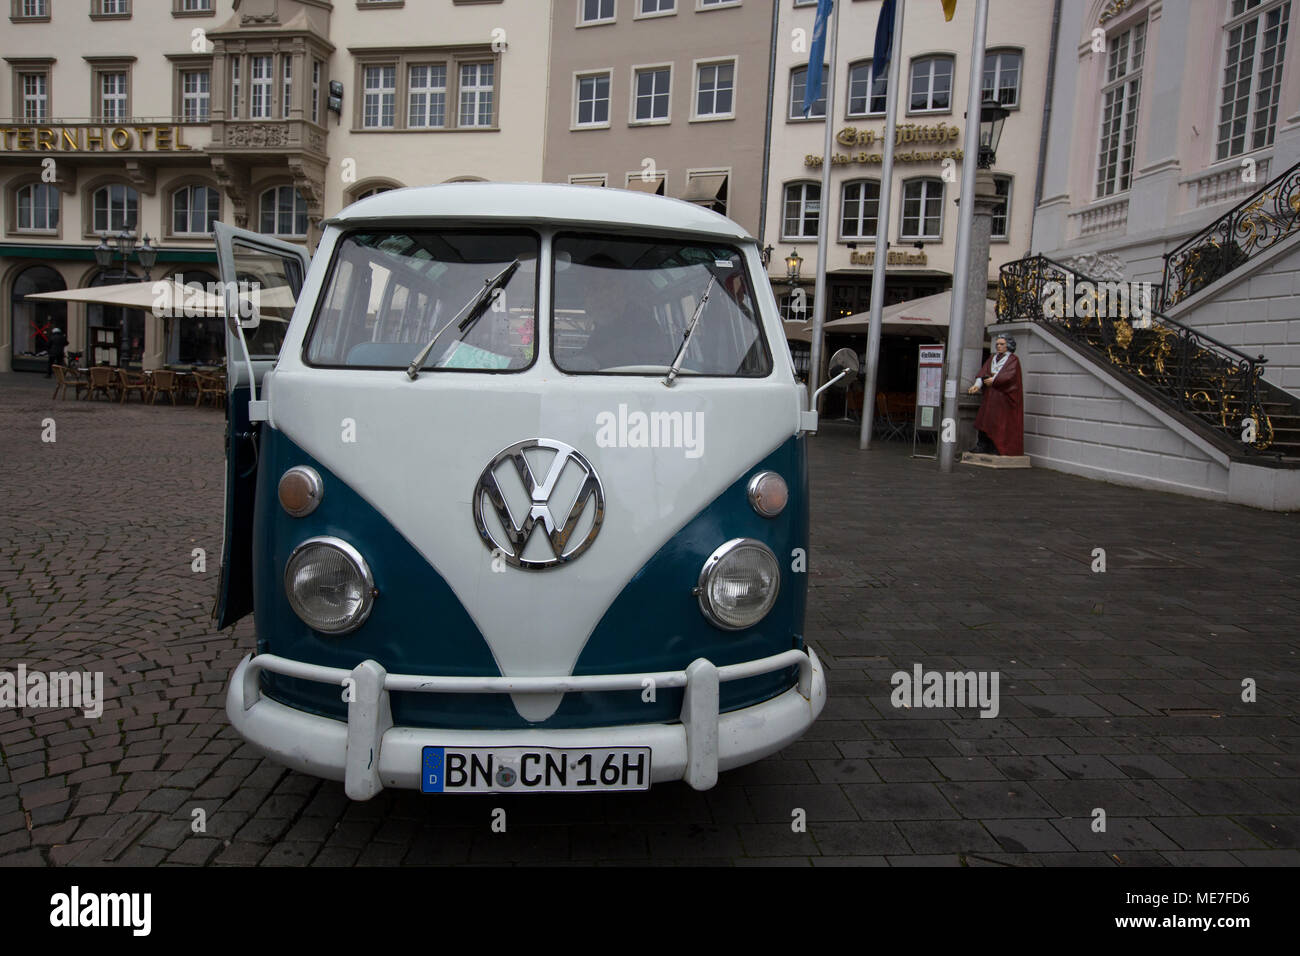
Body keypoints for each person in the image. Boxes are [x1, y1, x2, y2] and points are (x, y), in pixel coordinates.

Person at [578, 257, 672, 370]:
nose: (601, 295)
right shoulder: (605, 326)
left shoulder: (642, 324)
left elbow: (631, 352)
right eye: (593, 287)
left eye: (609, 285)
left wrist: (590, 359)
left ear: (625, 289)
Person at [967, 333, 1023, 456]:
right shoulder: (992, 357)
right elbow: (983, 372)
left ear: (1008, 345)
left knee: (999, 423)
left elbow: (1010, 375)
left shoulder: (1013, 360)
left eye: (1001, 344)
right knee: (984, 420)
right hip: (989, 397)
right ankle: (982, 445)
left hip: (1002, 398)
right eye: (997, 344)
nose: (998, 346)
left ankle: (996, 447)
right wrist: (977, 384)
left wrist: (994, 380)